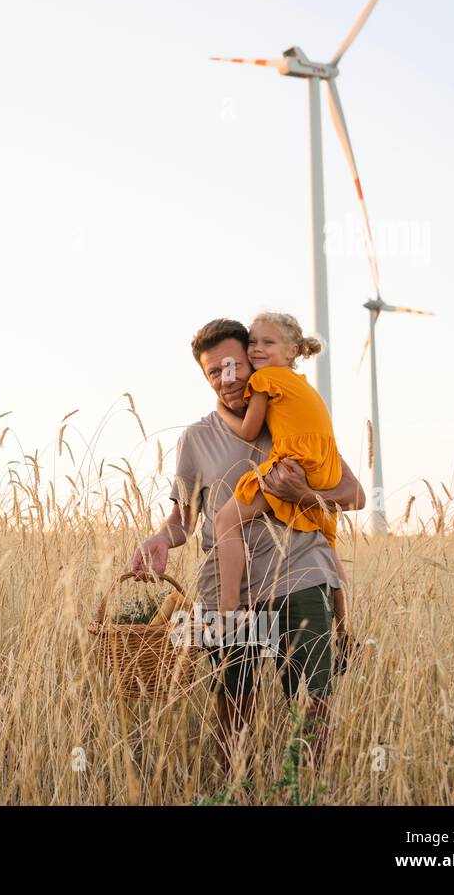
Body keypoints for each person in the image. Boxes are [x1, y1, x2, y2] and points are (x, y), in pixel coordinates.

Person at [131, 318, 365, 777]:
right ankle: (234, 788)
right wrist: (161, 539)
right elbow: (182, 521)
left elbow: (354, 495)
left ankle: (308, 790)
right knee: (232, 707)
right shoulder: (195, 439)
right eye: (214, 372)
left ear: (253, 360)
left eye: (235, 365)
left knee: (314, 701)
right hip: (227, 591)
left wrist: (303, 497)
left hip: (301, 573)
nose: (228, 378)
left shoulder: (290, 414)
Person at [211, 312, 350, 636]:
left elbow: (248, 431)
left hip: (293, 465)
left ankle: (228, 609)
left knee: (225, 521)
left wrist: (221, 413)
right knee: (328, 547)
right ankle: (344, 630)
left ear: (293, 352)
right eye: (254, 342)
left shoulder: (264, 380)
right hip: (322, 466)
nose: (257, 349)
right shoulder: (301, 385)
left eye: (268, 342)